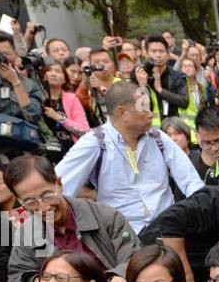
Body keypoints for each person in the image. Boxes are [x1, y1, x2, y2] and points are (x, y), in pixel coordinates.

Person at [1, 154, 140, 282]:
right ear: (19, 201)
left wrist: (118, 276)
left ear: (59, 184)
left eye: (47, 195)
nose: (43, 207)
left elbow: (134, 256)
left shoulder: (104, 215)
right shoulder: (27, 233)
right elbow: (17, 276)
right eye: (30, 202)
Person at [54, 81, 203, 233]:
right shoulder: (94, 142)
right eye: (143, 107)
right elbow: (58, 187)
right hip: (123, 237)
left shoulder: (158, 138)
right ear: (123, 112)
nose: (150, 113)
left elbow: (191, 181)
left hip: (168, 229)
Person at [0, 31, 44, 127]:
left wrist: (16, 83)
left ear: (16, 54)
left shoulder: (30, 84)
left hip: (22, 136)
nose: (2, 58)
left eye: (5, 54)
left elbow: (33, 116)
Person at [134, 33, 190, 123]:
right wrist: (142, 87)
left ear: (168, 54)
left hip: (175, 127)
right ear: (146, 54)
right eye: (154, 51)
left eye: (161, 51)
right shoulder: (139, 75)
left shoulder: (178, 76)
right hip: (150, 129)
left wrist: (160, 90)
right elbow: (140, 108)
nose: (158, 55)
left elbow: (184, 102)